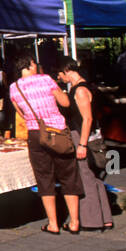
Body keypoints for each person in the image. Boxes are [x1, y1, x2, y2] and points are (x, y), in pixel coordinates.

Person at [10, 56, 83, 234]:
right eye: (35, 63)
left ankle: (53, 223)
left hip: (35, 134)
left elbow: (21, 113)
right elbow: (65, 103)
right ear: (31, 64)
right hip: (58, 131)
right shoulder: (46, 80)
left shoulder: (14, 88)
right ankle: (74, 222)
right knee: (68, 175)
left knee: (44, 178)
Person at [55, 58, 114, 231]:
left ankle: (91, 220)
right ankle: (105, 217)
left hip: (84, 137)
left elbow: (87, 119)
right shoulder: (83, 87)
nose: (59, 77)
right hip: (89, 137)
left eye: (59, 73)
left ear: (66, 70)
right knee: (94, 178)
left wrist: (82, 145)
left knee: (86, 177)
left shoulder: (80, 90)